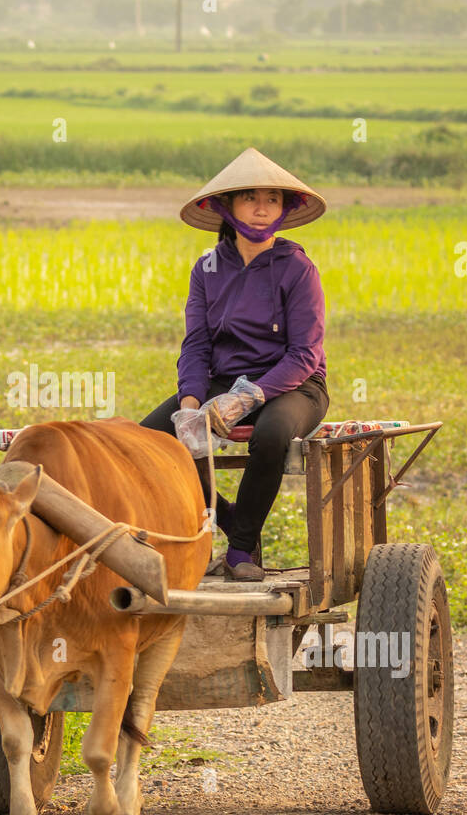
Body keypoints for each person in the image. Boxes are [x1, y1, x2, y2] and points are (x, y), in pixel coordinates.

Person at [140, 147, 330, 582]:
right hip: (221, 381)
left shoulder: (298, 269)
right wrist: (190, 405)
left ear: (284, 208)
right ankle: (228, 519)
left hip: (293, 384)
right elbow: (196, 345)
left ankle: (241, 548)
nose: (262, 209)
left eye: (272, 199)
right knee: (154, 439)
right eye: (250, 198)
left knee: (272, 432)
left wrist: (245, 399)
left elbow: (304, 354)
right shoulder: (206, 269)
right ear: (227, 207)